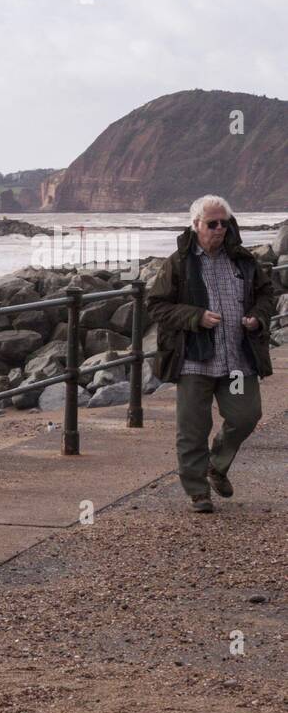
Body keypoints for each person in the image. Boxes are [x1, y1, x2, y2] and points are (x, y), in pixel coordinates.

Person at [145, 195, 275, 512]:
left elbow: (265, 294)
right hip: (194, 360)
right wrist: (195, 317)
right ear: (196, 225)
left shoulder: (242, 260)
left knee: (246, 415)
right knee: (193, 428)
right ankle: (197, 491)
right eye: (212, 223)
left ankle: (216, 464)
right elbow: (157, 306)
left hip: (236, 360)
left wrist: (257, 317)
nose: (219, 229)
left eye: (224, 223)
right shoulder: (179, 262)